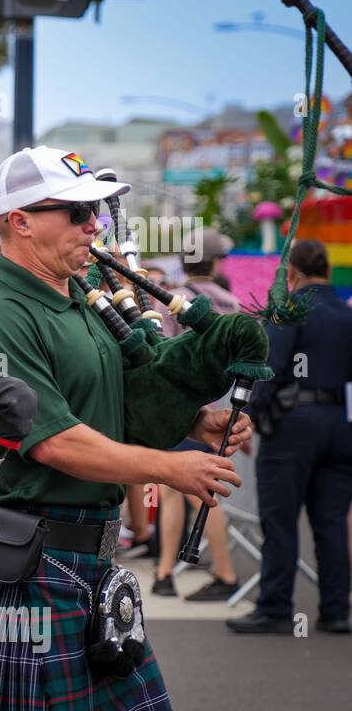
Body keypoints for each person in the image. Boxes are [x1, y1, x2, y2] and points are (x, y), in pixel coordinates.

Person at [0, 146, 252, 711]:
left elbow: (129, 394)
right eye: (77, 212)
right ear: (19, 220)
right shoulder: (0, 313)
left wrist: (197, 423)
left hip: (92, 563)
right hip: (30, 562)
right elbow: (54, 443)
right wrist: (170, 467)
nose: (94, 225)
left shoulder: (83, 297)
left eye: (96, 210)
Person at [227, 239, 352, 634]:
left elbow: (270, 369)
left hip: (293, 426)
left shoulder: (290, 311)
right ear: (328, 272)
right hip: (341, 423)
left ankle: (276, 606)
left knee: (279, 519)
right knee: (331, 521)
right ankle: (336, 610)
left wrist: (245, 418)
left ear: (292, 272)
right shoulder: (346, 314)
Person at [149, 229, 242, 599]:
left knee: (186, 492)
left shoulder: (170, 301)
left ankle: (220, 571)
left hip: (176, 410)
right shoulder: (233, 304)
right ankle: (167, 570)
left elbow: (160, 353)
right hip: (220, 413)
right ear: (217, 262)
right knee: (190, 490)